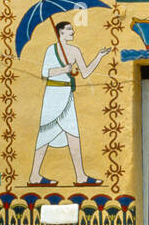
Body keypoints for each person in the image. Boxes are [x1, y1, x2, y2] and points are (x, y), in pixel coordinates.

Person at [28, 21, 107, 187]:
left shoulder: (75, 50)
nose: (72, 31)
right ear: (60, 33)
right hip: (53, 95)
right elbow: (44, 73)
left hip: (67, 95)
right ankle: (34, 175)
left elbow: (85, 73)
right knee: (45, 134)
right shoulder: (52, 50)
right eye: (69, 29)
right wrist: (64, 69)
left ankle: (81, 176)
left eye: (72, 29)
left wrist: (99, 56)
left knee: (74, 135)